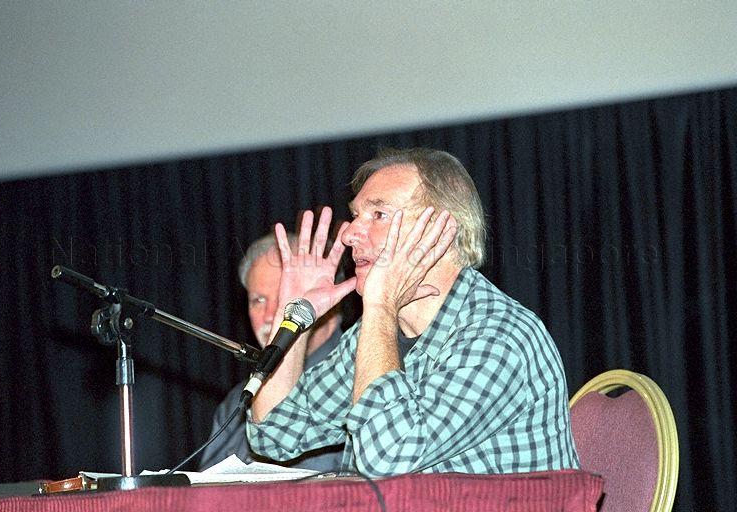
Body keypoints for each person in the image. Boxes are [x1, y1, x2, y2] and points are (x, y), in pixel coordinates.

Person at [247, 147, 580, 477]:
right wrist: (294, 313)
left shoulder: (499, 334)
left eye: (378, 215)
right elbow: (274, 434)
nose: (349, 234)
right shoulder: (375, 334)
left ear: (439, 231)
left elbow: (387, 459)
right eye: (355, 215)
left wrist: (380, 306)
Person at [198, 233, 344, 471]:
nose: (268, 315)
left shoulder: (360, 376)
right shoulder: (239, 399)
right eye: (258, 300)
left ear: (329, 302)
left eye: (283, 298)